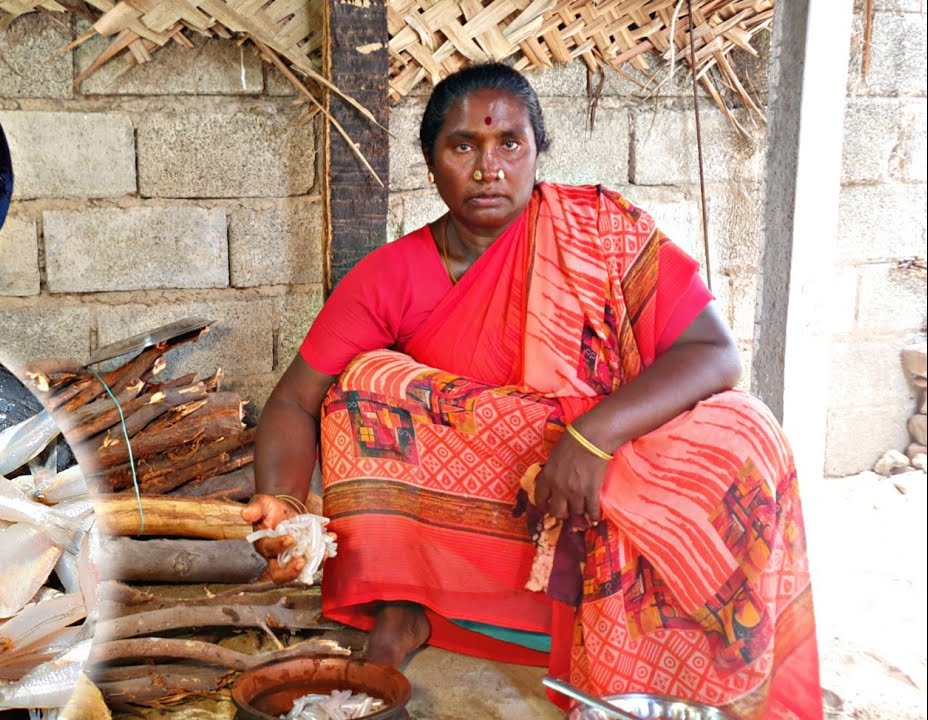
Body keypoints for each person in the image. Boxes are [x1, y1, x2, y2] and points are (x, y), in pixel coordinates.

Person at [242, 62, 821, 717]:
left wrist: (592, 437)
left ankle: (623, 627)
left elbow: (714, 354)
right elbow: (295, 399)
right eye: (463, 146)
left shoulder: (601, 230)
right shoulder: (390, 276)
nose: (489, 168)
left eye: (509, 144)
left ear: (537, 152)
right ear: (431, 164)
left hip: (596, 474)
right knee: (362, 389)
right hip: (498, 500)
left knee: (746, 432)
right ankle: (410, 602)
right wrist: (283, 501)